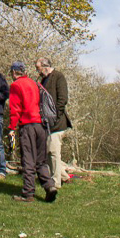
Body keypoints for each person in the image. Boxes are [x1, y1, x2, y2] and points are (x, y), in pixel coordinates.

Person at [7, 61, 57, 203]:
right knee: (41, 160)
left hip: (27, 126)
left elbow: (15, 109)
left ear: (14, 72)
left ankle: (28, 193)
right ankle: (49, 186)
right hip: (41, 125)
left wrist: (11, 128)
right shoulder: (35, 84)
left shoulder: (16, 85)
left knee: (28, 160)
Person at [35, 56, 72, 189]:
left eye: (38, 68)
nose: (37, 72)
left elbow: (62, 99)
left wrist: (56, 117)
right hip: (47, 123)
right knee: (49, 152)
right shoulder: (43, 79)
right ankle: (64, 176)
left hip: (57, 123)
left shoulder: (58, 76)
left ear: (45, 66)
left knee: (54, 153)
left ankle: (56, 183)